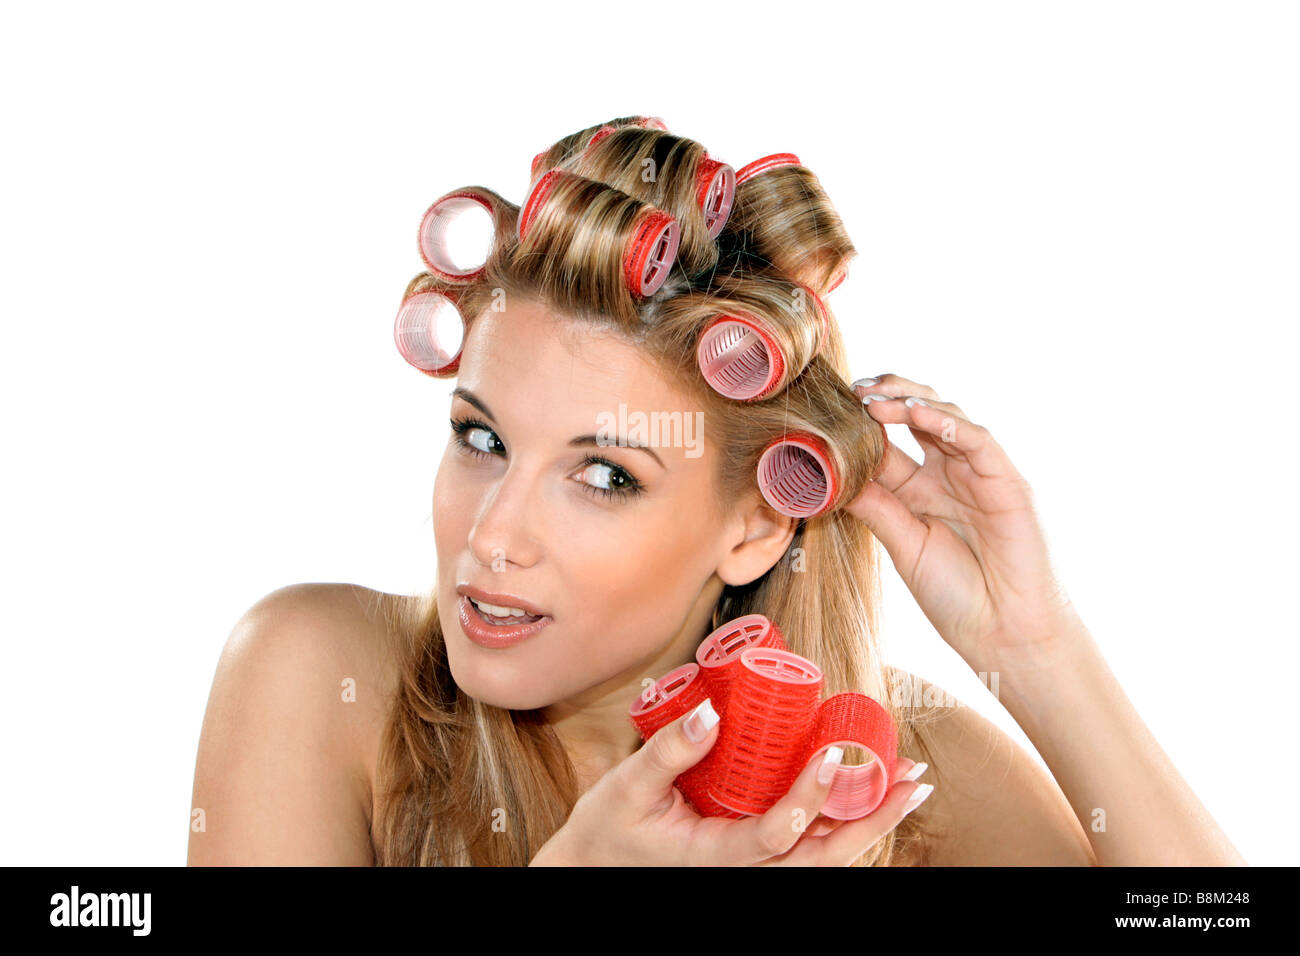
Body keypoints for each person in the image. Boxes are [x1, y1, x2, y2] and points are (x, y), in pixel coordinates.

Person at [187, 115, 1244, 866]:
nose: (494, 536)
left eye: (604, 474)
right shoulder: (326, 678)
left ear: (756, 524)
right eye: (481, 438)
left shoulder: (891, 775)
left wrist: (1035, 648)